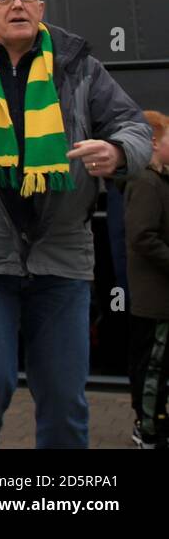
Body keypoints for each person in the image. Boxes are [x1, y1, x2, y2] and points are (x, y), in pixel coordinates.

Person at [0, 0, 152, 448]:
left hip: (62, 258)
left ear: (40, 8)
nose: (17, 4)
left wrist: (118, 152)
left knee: (64, 398)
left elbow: (135, 128)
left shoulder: (78, 67)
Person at [123, 109, 169, 448]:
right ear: (154, 141)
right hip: (154, 299)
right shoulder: (145, 181)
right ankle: (148, 429)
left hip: (161, 298)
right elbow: (142, 236)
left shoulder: (160, 180)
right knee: (153, 367)